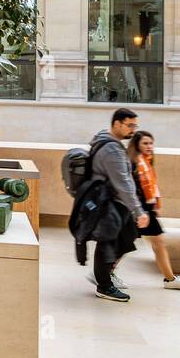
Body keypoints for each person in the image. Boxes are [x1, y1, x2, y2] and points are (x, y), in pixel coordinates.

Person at [71, 108, 150, 302]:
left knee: (123, 239)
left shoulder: (104, 139)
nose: (133, 130)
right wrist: (138, 210)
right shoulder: (112, 149)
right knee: (108, 243)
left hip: (111, 201)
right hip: (110, 203)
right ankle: (104, 285)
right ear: (117, 124)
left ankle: (105, 278)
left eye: (135, 125)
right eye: (130, 125)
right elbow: (122, 182)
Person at [126, 130, 180, 290]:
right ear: (136, 145)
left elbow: (151, 187)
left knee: (156, 242)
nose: (149, 146)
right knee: (126, 243)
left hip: (146, 209)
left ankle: (170, 279)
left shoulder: (146, 161)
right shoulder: (133, 163)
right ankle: (103, 274)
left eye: (151, 143)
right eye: (145, 143)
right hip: (139, 210)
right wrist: (142, 210)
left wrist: (154, 205)